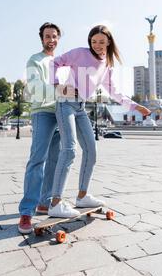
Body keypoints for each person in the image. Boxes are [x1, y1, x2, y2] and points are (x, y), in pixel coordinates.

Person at [48, 24, 151, 218]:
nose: (97, 45)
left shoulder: (106, 65)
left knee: (91, 151)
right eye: (93, 41)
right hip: (65, 104)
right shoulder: (79, 53)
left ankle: (82, 196)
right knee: (69, 149)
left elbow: (115, 92)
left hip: (80, 108)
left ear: (109, 42)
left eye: (101, 42)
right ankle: (55, 203)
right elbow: (54, 63)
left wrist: (136, 107)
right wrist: (56, 85)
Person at [18, 22, 62, 234]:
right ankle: (27, 211)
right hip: (43, 112)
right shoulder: (35, 60)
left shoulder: (64, 62)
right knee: (37, 160)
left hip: (61, 113)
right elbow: (34, 88)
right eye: (47, 36)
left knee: (55, 160)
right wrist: (61, 90)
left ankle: (45, 202)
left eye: (54, 36)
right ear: (41, 39)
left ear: (59, 38)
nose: (51, 40)